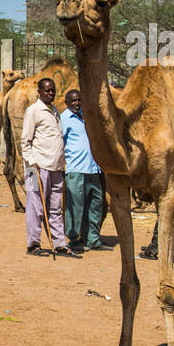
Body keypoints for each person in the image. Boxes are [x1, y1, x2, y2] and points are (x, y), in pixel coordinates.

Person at [21, 77, 78, 257]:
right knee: (35, 206)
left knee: (55, 208)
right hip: (36, 167)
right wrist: (32, 161)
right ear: (39, 92)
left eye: (52, 90)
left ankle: (59, 244)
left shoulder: (54, 111)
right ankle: (33, 244)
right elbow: (25, 140)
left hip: (55, 167)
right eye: (47, 90)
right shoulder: (33, 111)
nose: (50, 93)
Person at [60, 89, 104, 251]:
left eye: (79, 100)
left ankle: (92, 238)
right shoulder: (64, 119)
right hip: (76, 169)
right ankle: (73, 238)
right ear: (67, 103)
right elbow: (60, 143)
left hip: (93, 168)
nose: (77, 103)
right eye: (73, 101)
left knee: (95, 204)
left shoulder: (87, 117)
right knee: (75, 206)